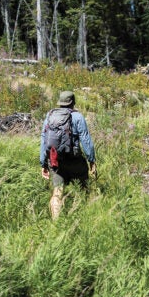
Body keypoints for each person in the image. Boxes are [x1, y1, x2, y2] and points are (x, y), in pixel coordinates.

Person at [39, 90, 96, 219]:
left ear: (60, 102)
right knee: (83, 189)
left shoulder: (50, 115)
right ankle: (83, 217)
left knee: (57, 192)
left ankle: (56, 224)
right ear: (73, 102)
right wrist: (91, 160)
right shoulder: (78, 117)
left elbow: (44, 140)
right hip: (74, 160)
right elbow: (86, 141)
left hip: (55, 161)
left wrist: (43, 163)